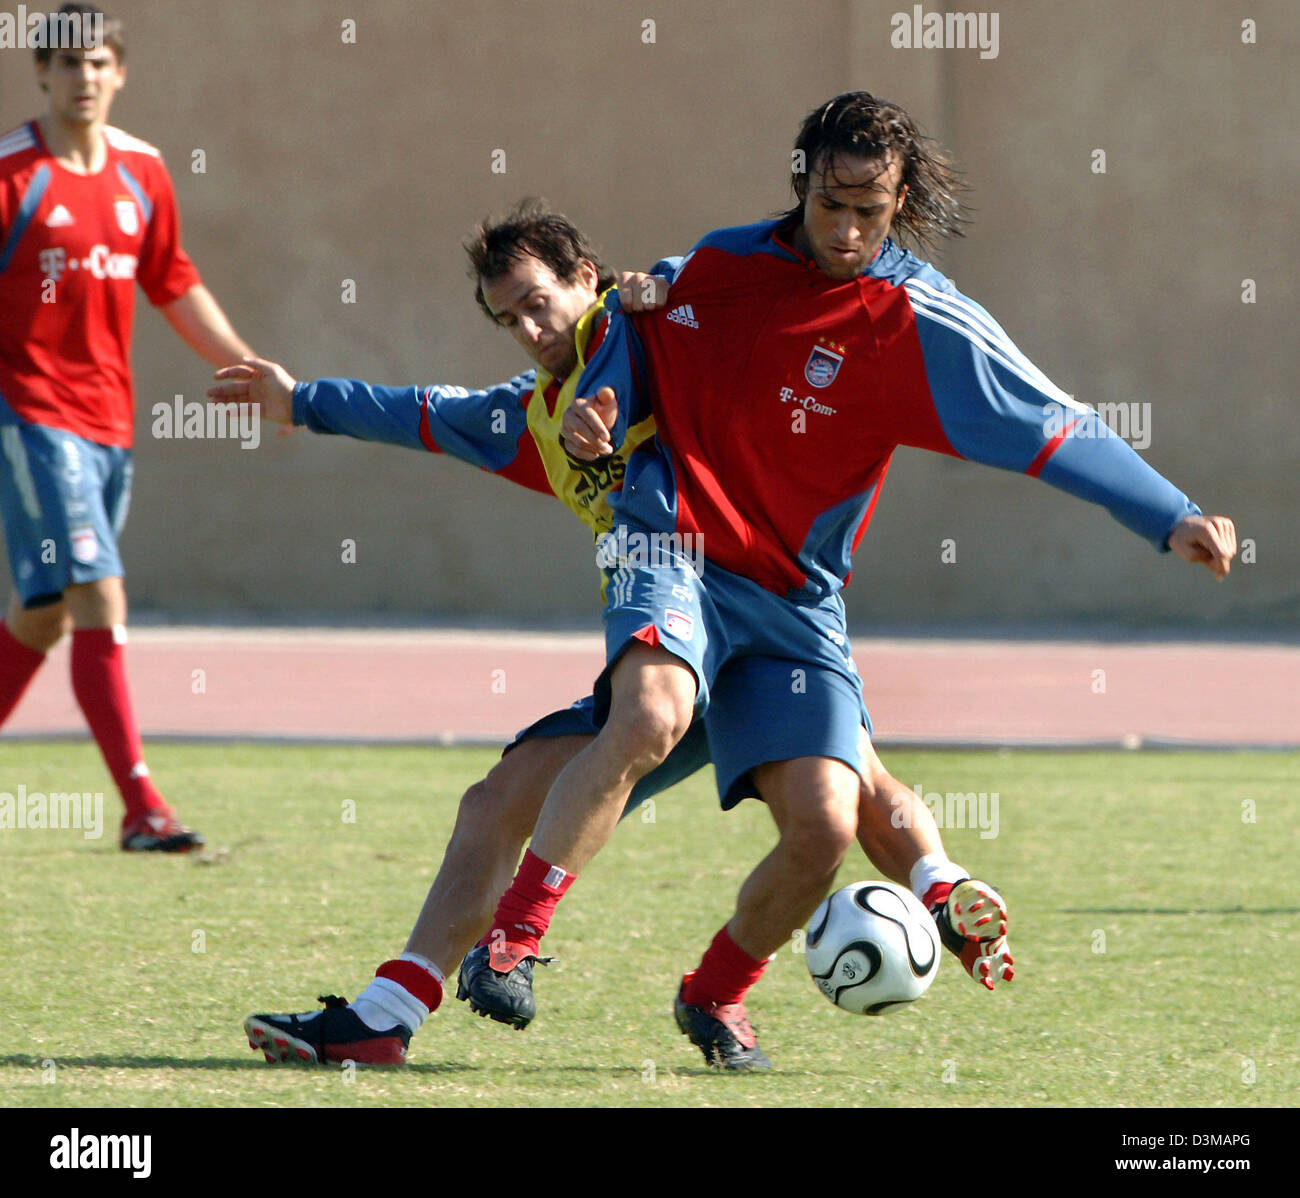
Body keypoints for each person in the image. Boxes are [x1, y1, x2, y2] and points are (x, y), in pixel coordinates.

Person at [470, 90, 1236, 1070]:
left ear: (900, 201)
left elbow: (1052, 422)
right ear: (801, 183)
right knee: (653, 712)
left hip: (794, 599)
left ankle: (714, 995)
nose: (845, 230)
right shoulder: (721, 267)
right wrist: (601, 409)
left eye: (868, 213)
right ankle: (513, 943)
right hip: (674, 546)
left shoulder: (918, 323)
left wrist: (1167, 512)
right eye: (830, 204)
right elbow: (629, 329)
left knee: (825, 826)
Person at [218, 199, 1001, 1068]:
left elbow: (728, 294)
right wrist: (301, 402)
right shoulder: (535, 417)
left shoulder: (662, 333)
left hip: (757, 616)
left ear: (585, 277)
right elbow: (425, 413)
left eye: (537, 300)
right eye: (507, 316)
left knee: (831, 807)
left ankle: (852, 927)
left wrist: (658, 283)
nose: (526, 327)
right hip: (675, 641)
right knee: (495, 803)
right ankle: (383, 1018)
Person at [0, 4, 256, 850]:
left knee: (42, 616)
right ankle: (143, 807)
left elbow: (173, 281)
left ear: (119, 71)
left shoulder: (144, 172)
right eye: (67, 65)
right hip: (31, 416)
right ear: (41, 72)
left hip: (110, 424)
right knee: (97, 596)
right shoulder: (11, 176)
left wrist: (246, 368)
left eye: (98, 63)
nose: (84, 79)